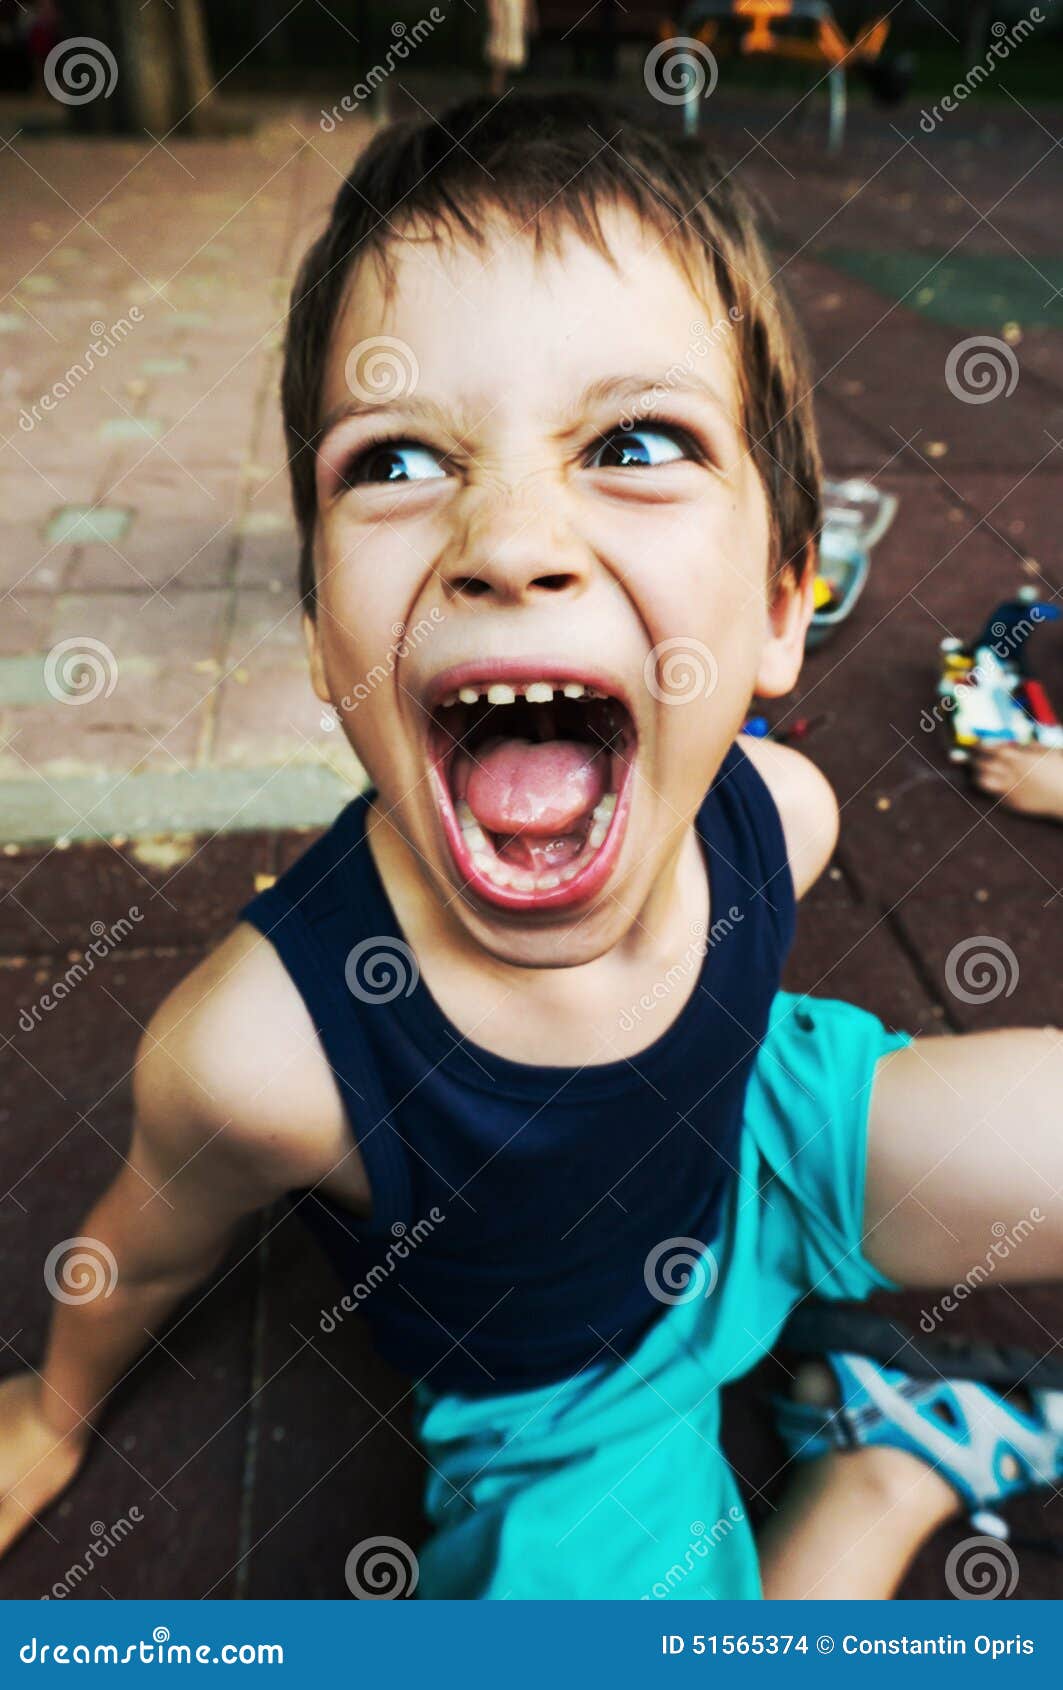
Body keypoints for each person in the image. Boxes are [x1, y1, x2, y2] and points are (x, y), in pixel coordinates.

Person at [2, 93, 1061, 1599]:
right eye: (395, 462)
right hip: (567, 1401)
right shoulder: (262, 1052)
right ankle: (888, 1468)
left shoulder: (789, 817)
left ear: (777, 602)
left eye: (635, 440)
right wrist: (48, 1411)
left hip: (767, 1150)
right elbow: (141, 1246)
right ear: (319, 634)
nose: (509, 537)